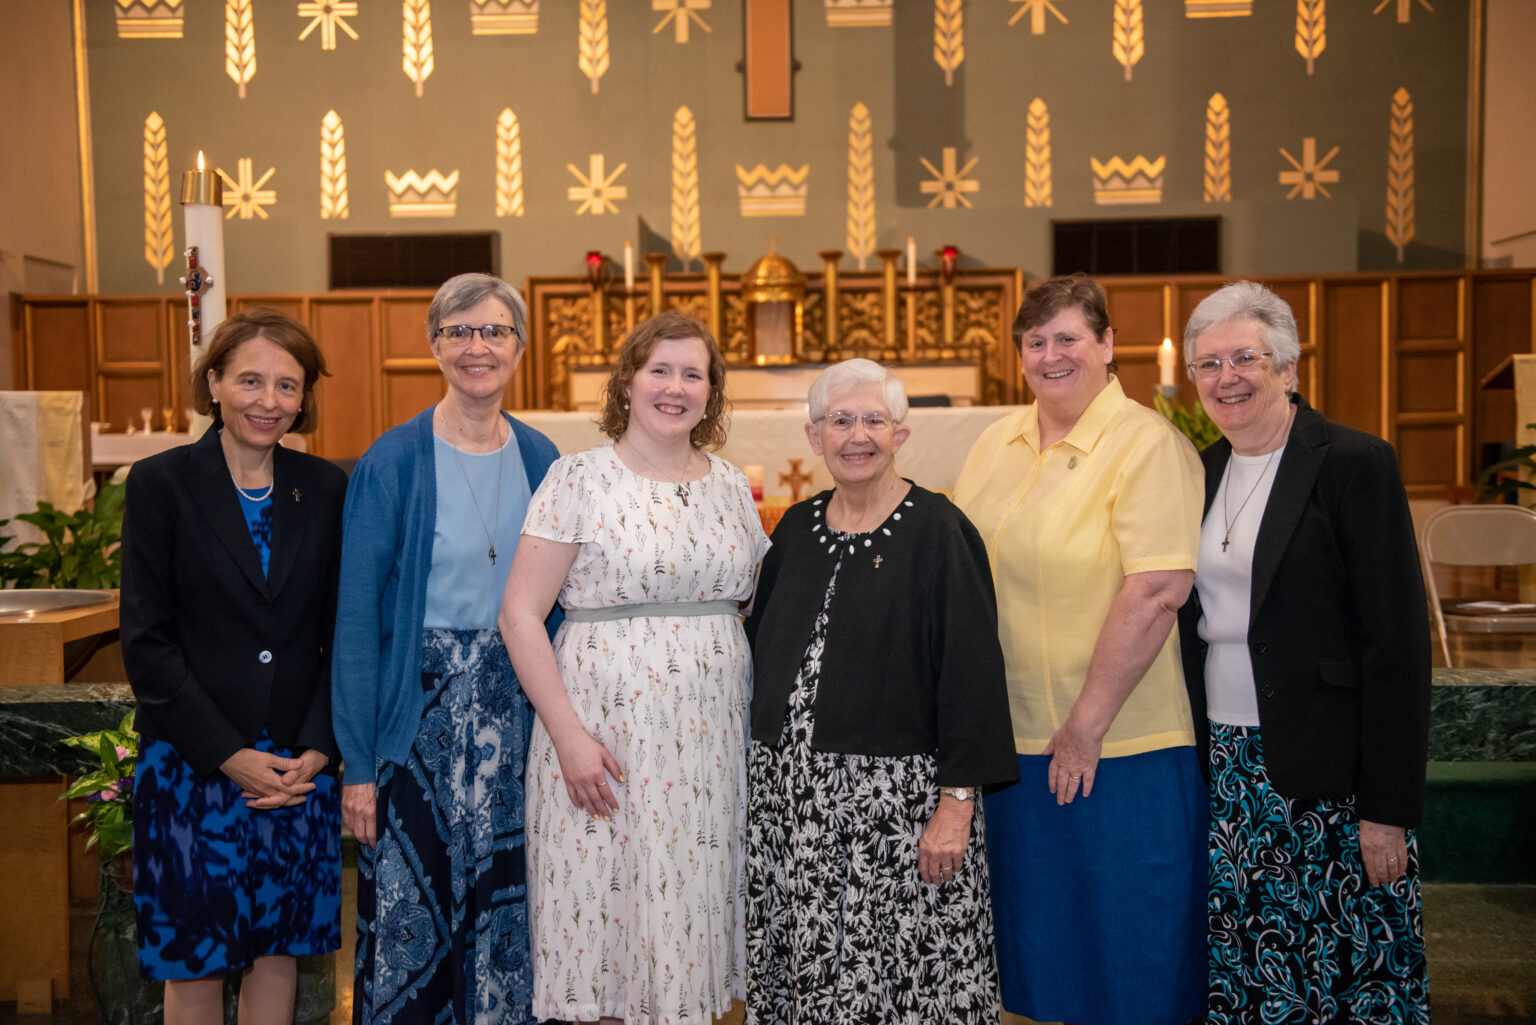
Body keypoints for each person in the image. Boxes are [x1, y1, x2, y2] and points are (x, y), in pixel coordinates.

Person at [498, 311, 768, 1025]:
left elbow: (755, 601)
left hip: (708, 747)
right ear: (627, 383)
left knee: (688, 919)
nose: (675, 388)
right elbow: (521, 615)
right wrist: (568, 737)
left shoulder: (731, 485)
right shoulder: (578, 478)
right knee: (608, 924)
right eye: (659, 370)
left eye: (692, 374)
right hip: (604, 738)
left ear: (711, 393)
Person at [953, 274, 1207, 1025]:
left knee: (1132, 959)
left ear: (1106, 345)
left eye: (1069, 338)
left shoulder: (1145, 442)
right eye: (1036, 341)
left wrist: (1086, 725)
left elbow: (1157, 588)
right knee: (1050, 960)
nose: (1052, 355)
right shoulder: (996, 440)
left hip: (1117, 744)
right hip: (1016, 743)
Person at [1175, 281, 1431, 1024]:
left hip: (1331, 773)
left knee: (1346, 965)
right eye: (1209, 363)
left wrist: (1388, 808)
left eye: (1245, 357)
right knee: (1250, 961)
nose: (1227, 377)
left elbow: (1397, 646)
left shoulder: (1353, 462)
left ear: (1288, 366)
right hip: (1226, 762)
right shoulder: (1199, 471)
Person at [743, 359, 1018, 1025]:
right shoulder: (796, 529)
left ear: (901, 433)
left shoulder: (939, 530)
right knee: (814, 972)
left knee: (903, 978)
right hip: (799, 810)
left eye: (874, 420)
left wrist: (956, 805)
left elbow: (972, 672)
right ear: (814, 436)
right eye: (841, 420)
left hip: (897, 812)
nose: (857, 435)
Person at [331, 274, 561, 1025]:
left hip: (514, 719)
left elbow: (559, 604)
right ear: (434, 346)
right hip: (416, 725)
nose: (477, 348)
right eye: (459, 332)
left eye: (494, 332)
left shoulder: (542, 456)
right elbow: (358, 624)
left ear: (519, 349)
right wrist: (359, 767)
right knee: (411, 917)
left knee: (508, 914)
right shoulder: (393, 461)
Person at [120, 309, 346, 1025]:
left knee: (278, 952)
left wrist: (316, 748)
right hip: (194, 764)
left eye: (287, 384)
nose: (268, 400)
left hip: (294, 771)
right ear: (213, 381)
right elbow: (146, 641)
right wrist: (228, 754)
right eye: (250, 379)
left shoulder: (327, 487)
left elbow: (344, 631)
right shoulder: (162, 483)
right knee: (195, 961)